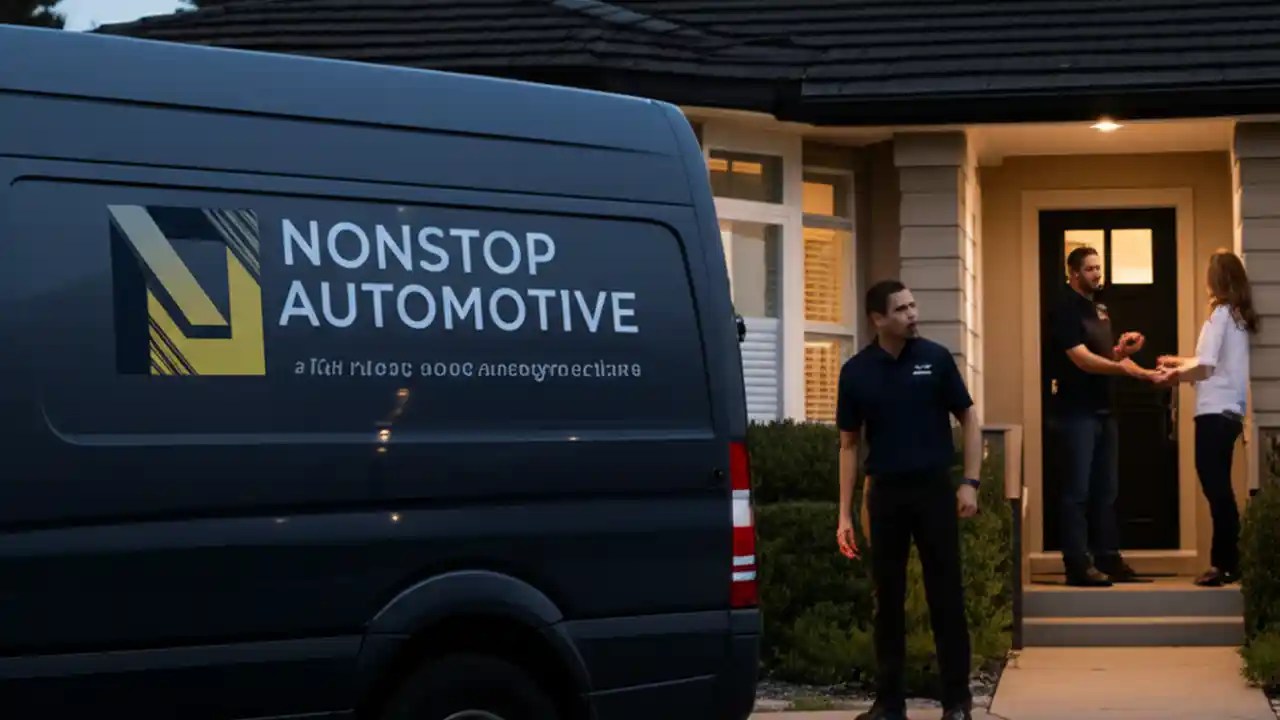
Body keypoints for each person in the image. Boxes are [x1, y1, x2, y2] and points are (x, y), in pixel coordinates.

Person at [835, 279, 981, 720]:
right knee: (887, 602)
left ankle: (956, 702)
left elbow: (968, 417)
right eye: (901, 309)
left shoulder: (936, 359)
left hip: (933, 491)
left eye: (913, 305)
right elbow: (848, 445)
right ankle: (889, 704)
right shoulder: (856, 372)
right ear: (878, 319)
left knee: (946, 597)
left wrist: (970, 481)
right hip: (886, 496)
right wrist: (844, 514)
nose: (913, 314)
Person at [1047, 245, 1169, 587]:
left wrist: (1120, 351)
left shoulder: (1099, 308)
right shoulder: (1064, 307)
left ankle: (1108, 558)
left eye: (1098, 268)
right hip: (1076, 412)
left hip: (1105, 409)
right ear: (1073, 273)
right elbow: (1081, 359)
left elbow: (1102, 355)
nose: (1097, 274)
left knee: (1107, 491)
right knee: (1077, 491)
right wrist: (1125, 368)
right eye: (1090, 269)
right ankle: (1077, 564)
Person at [1156, 249, 1258, 587]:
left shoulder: (1219, 315)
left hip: (1213, 413)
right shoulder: (1238, 317)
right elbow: (1210, 362)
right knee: (1221, 488)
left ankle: (1224, 564)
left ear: (1215, 280)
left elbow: (1206, 366)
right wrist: (1178, 362)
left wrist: (1173, 376)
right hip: (1232, 412)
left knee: (1216, 489)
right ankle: (1230, 561)